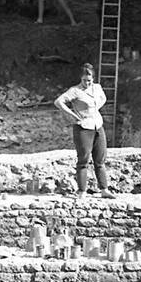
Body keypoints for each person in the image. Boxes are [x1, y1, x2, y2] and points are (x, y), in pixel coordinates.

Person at [54, 64, 110, 196]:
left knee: (100, 159)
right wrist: (73, 114)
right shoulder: (75, 91)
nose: (87, 83)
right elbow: (58, 102)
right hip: (83, 127)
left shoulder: (97, 88)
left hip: (97, 125)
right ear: (81, 78)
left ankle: (104, 189)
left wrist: (95, 110)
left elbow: (103, 98)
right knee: (83, 159)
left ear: (93, 79)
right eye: (84, 80)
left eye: (89, 80)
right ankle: (82, 190)